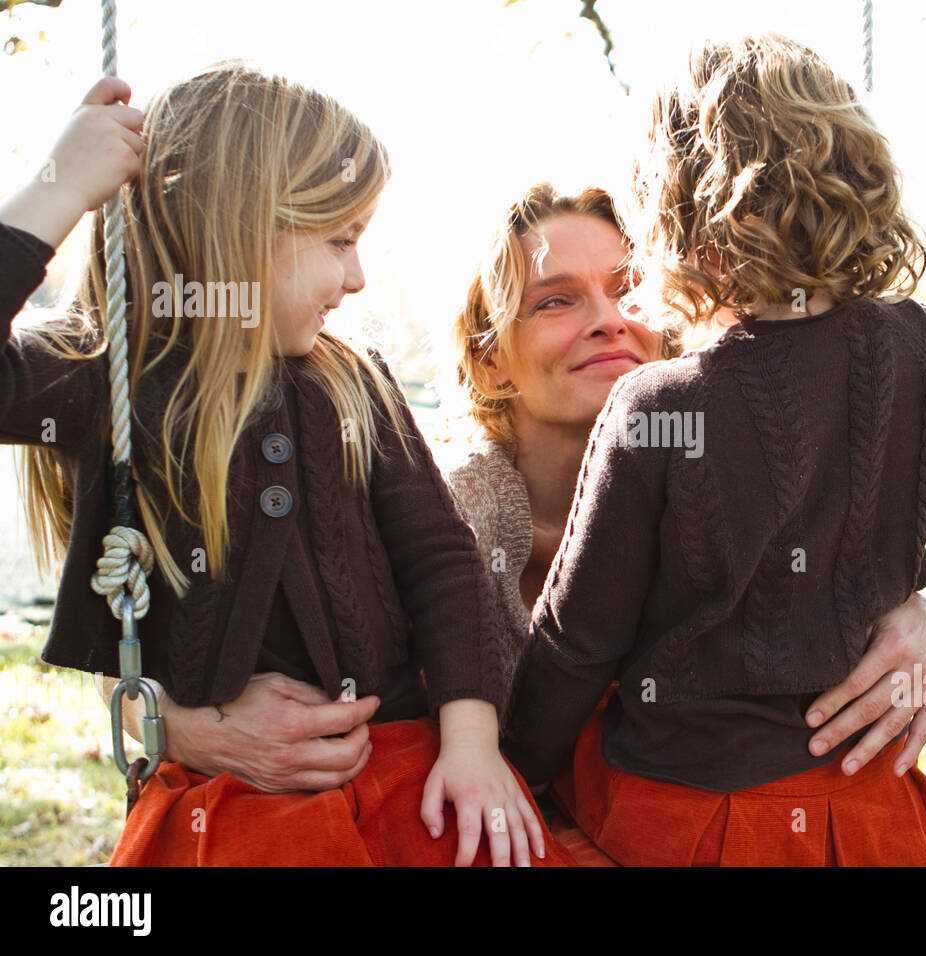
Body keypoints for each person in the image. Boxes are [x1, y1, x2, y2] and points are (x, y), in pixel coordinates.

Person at [0, 65, 568, 867]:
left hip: (403, 772)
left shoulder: (354, 381)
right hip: (233, 808)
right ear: (235, 228)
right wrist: (57, 190)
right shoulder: (107, 378)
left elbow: (442, 563)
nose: (357, 276)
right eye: (339, 240)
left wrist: (470, 744)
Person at [500, 35, 926, 866]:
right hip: (866, 810)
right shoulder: (924, 343)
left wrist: (514, 774)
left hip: (686, 816)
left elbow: (578, 640)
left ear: (674, 211)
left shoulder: (661, 403)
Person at [443, 181, 926, 865]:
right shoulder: (446, 522)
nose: (609, 319)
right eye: (557, 300)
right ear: (490, 357)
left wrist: (916, 613)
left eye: (629, 287)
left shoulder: (726, 478)